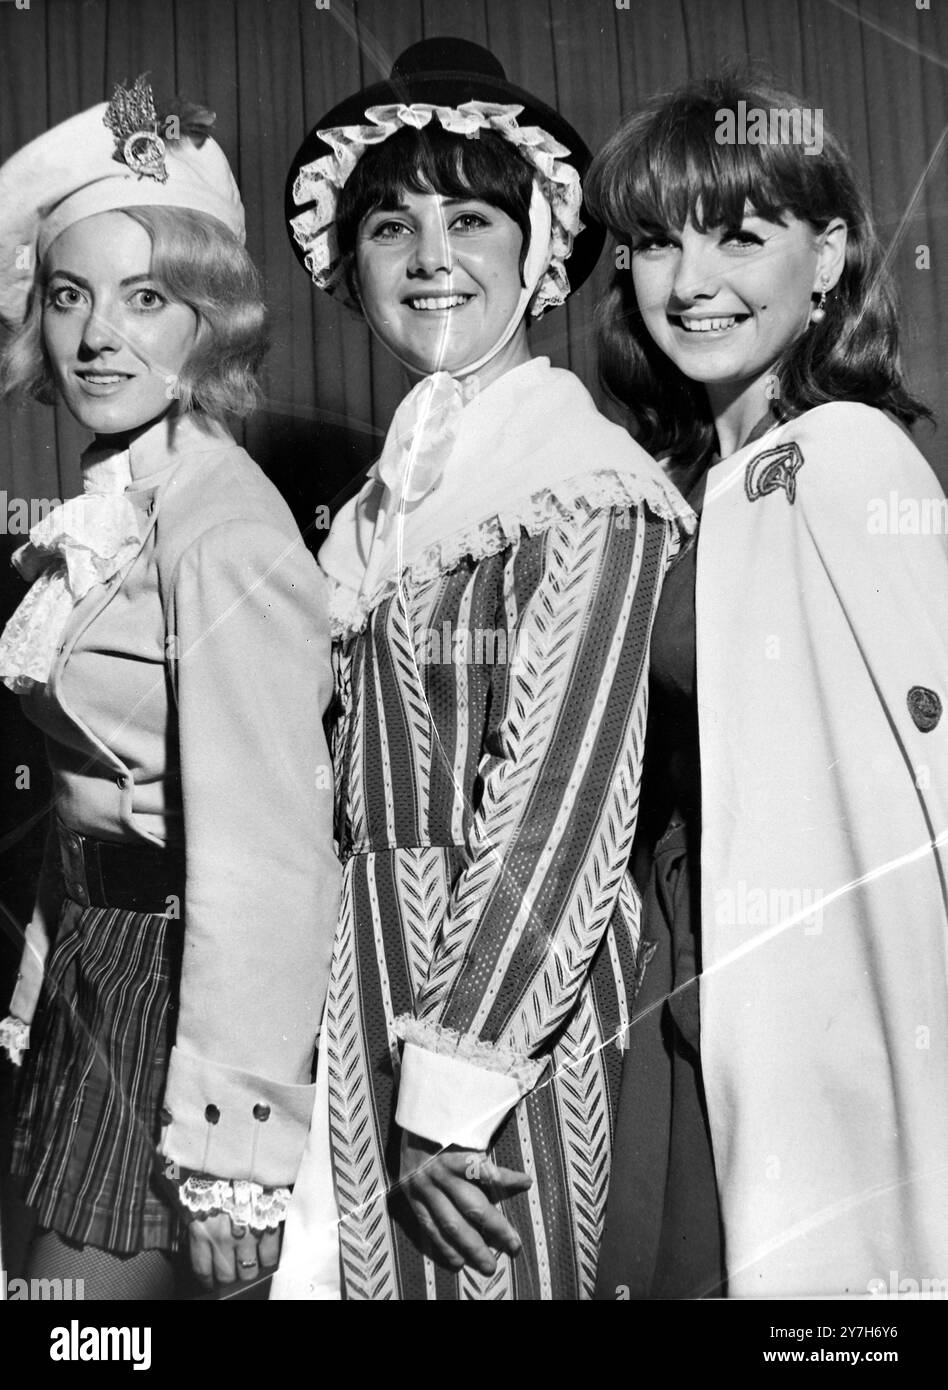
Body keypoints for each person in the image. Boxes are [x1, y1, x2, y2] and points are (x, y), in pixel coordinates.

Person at [270, 37, 694, 1301]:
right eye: (391, 224)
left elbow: (559, 816)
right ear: (352, 268)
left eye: (471, 218)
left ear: (538, 253)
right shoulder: (372, 509)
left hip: (494, 1030)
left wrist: (450, 1095)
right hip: (343, 1013)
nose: (429, 254)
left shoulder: (584, 483)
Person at [586, 72, 948, 1299]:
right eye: (654, 244)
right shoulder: (658, 490)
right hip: (670, 989)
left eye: (742, 236)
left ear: (831, 256)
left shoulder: (843, 461)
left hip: (817, 1001)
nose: (690, 284)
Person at [0, 78, 339, 1299]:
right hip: (100, 968)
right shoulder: (125, 501)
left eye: (148, 300)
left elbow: (269, 851)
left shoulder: (223, 528)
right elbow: (93, 797)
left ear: (213, 321)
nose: (99, 336)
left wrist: (235, 1153)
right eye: (69, 295)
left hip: (174, 1000)